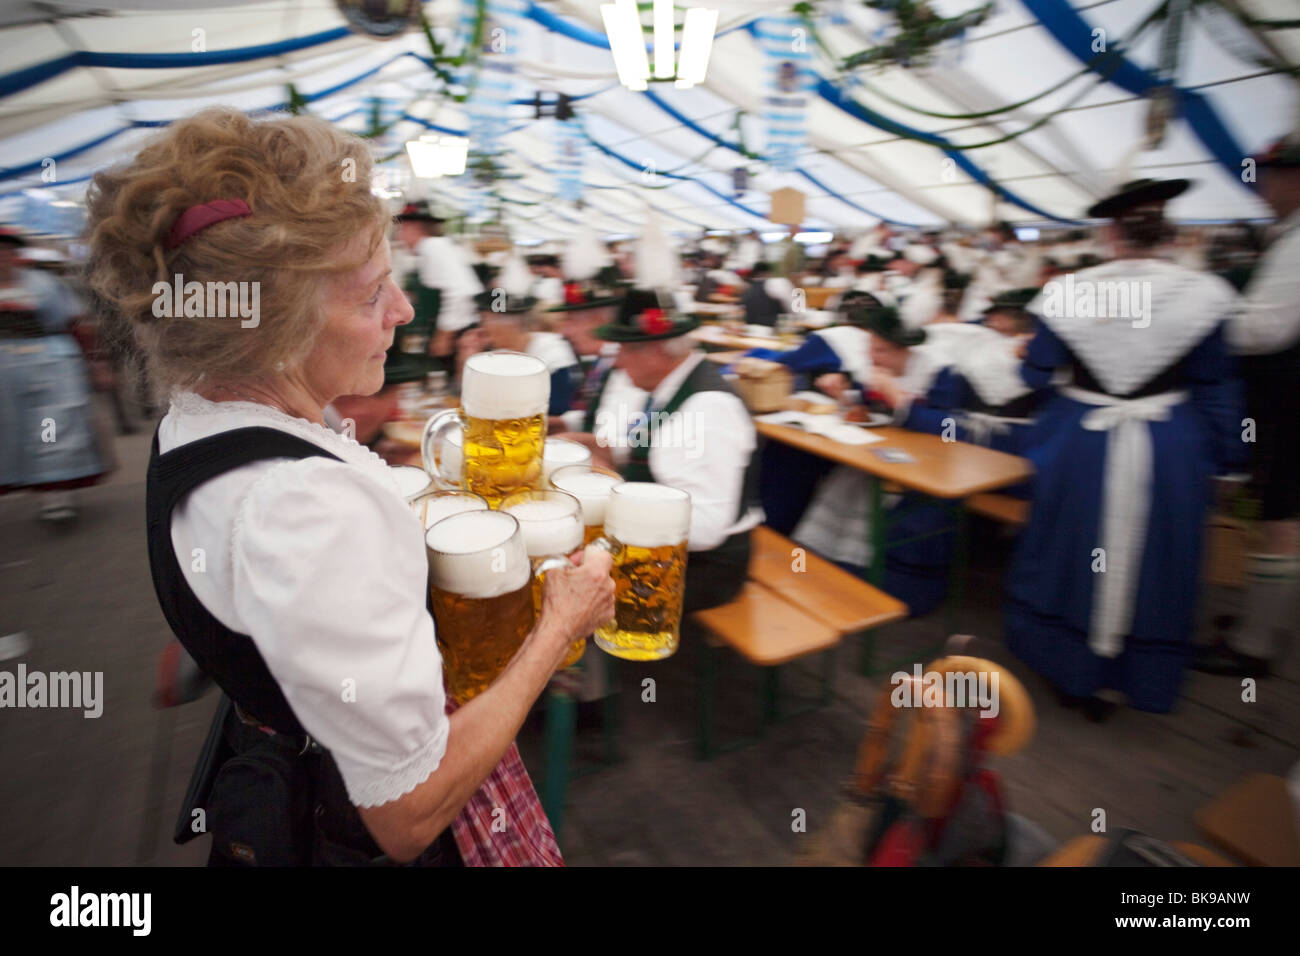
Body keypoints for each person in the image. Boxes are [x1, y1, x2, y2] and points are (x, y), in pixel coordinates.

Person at [84, 108, 614, 866]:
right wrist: (559, 626)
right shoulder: (303, 504)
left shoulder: (196, 424)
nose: (402, 311)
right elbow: (410, 810)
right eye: (371, 295)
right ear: (272, 332)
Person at [1005, 178, 1245, 719]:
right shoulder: (1203, 294)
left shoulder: (1070, 290)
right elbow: (1217, 383)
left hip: (1082, 444)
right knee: (1154, 558)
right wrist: (1230, 463)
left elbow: (1037, 373)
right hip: (1168, 445)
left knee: (1074, 551)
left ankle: (1075, 672)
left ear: (1111, 232)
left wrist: (1032, 356)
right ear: (1168, 231)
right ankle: (1134, 675)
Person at [557, 288, 762, 613]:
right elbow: (646, 456)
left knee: (565, 569)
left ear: (654, 349)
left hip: (704, 569)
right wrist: (588, 446)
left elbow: (705, 526)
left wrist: (610, 492)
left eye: (623, 349)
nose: (619, 363)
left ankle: (607, 653)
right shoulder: (671, 389)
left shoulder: (707, 407)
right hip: (672, 553)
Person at [1201, 135, 1300, 677]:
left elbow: (1265, 328)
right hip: (1283, 395)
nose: (1263, 182)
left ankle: (1254, 645)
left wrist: (1202, 322)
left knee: (1280, 517)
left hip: (1289, 398)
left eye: (1272, 173)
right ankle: (1255, 630)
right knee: (1277, 514)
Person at [0, 227, 111, 522]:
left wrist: (96, 365)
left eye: (7, 251)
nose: (2, 257)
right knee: (13, 428)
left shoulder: (45, 284)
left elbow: (78, 323)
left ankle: (57, 492)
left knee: (54, 425)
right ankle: (32, 484)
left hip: (51, 362)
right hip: (5, 372)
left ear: (16, 254)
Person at [395, 201, 482, 374]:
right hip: (447, 332)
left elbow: (462, 290)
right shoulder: (432, 249)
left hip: (455, 335)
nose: (399, 237)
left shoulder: (433, 247)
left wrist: (444, 335)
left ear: (414, 227)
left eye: (401, 229)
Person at [476, 291, 581, 416]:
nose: (482, 328)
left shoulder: (554, 351)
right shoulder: (499, 355)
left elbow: (558, 408)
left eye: (486, 322)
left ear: (510, 326)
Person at [741, 260, 793, 328]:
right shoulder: (776, 283)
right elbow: (794, 309)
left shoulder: (747, 287)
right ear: (769, 272)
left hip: (750, 329)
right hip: (773, 329)